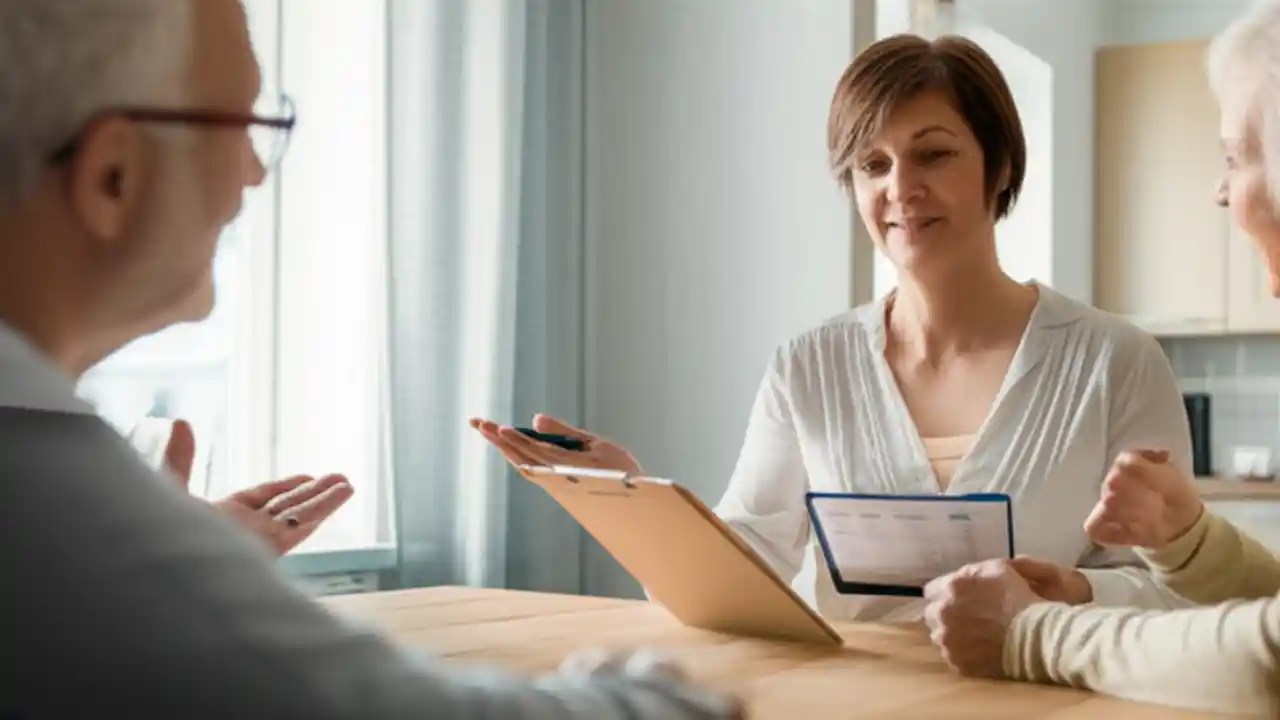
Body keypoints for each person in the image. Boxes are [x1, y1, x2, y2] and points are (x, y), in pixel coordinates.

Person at [0, 1, 737, 717]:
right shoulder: (53, 503)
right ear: (113, 177)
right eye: (246, 125)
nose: (255, 172)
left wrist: (171, 562)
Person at [473, 34, 1193, 622]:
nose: (900, 189)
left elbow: (1176, 589)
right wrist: (633, 500)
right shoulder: (809, 365)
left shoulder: (1114, 361)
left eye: (934, 153)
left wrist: (1073, 591)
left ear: (1000, 165)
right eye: (872, 164)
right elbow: (740, 569)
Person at [923, 3, 1280, 715]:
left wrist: (1031, 634)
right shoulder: (813, 358)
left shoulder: (1111, 351)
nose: (1221, 191)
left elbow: (1267, 660)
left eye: (1238, 157)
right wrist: (1191, 544)